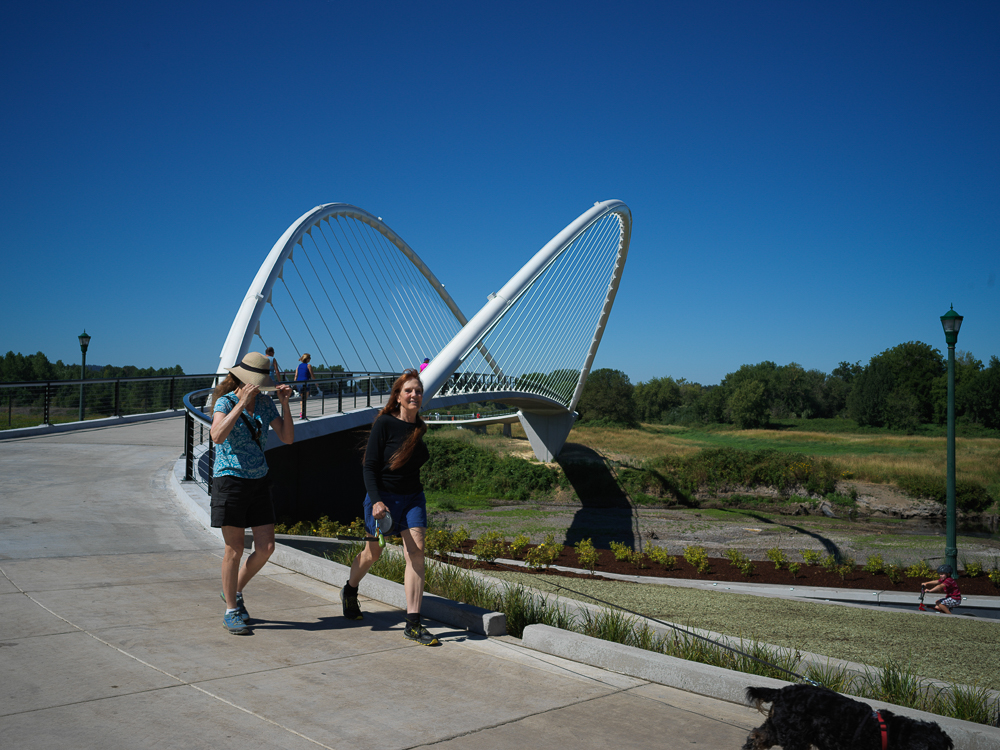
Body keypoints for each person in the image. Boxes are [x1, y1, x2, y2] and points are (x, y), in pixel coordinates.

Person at [340, 369, 439, 646]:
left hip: (413, 498)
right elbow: (369, 466)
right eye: (408, 391)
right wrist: (376, 501)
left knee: (416, 553)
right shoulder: (384, 423)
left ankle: (413, 624)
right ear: (397, 396)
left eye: (418, 391)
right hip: (383, 498)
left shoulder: (420, 428)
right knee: (373, 553)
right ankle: (350, 589)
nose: (414, 395)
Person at [210, 352, 294, 635]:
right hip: (231, 481)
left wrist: (284, 404)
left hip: (259, 480)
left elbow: (287, 438)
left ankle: (233, 591)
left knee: (266, 548)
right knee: (234, 549)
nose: (258, 388)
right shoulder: (225, 402)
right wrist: (241, 404)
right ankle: (231, 610)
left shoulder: (266, 403)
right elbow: (217, 436)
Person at [295, 353, 313, 419]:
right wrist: (316, 382)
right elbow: (312, 375)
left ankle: (301, 412)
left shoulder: (298, 366)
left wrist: (294, 383)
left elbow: (296, 375)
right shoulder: (309, 366)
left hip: (299, 383)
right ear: (307, 359)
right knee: (305, 399)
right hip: (306, 383)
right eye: (309, 358)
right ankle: (303, 413)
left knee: (302, 398)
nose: (310, 359)